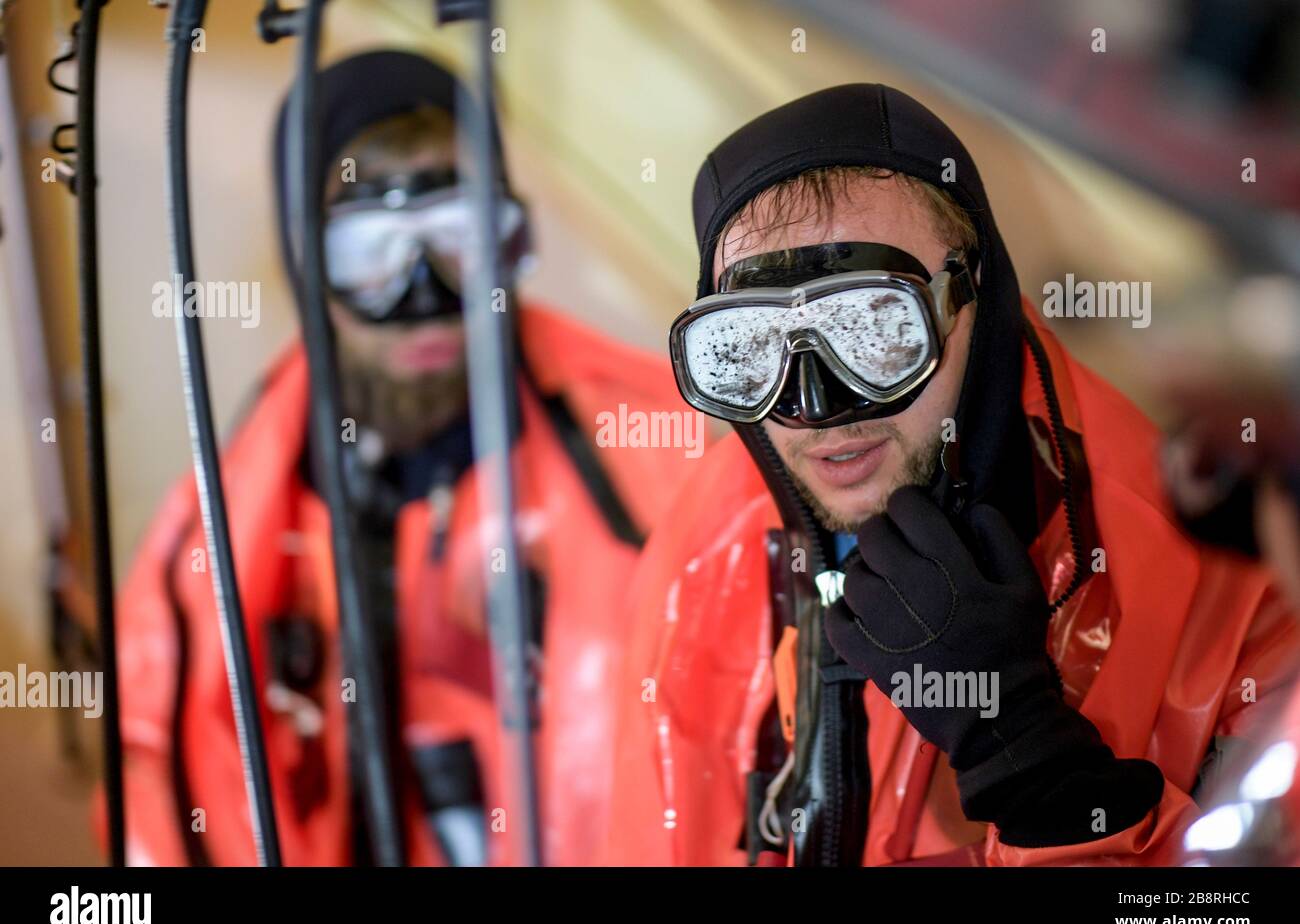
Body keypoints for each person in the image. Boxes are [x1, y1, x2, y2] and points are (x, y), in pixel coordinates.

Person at [606, 83, 1300, 866]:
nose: (813, 408)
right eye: (746, 347)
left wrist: (1035, 766)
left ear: (978, 296)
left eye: (873, 327)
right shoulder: (711, 539)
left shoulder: (1223, 592)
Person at [111, 50, 705, 866]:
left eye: (458, 236)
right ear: (303, 262)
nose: (423, 294)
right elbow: (157, 782)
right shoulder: (212, 535)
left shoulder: (671, 460)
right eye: (371, 250)